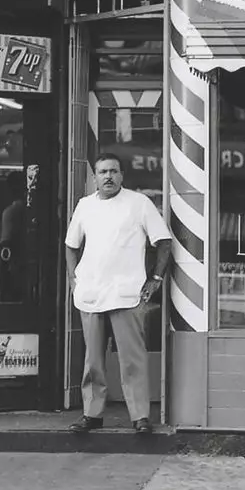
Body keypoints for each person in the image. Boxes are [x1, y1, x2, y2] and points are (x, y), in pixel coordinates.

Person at [64, 152, 171, 435]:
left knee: (132, 358)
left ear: (122, 176)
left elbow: (163, 242)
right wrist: (74, 279)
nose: (108, 176)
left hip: (126, 292)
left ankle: (140, 417)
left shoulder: (139, 204)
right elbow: (71, 245)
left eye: (113, 171)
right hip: (91, 292)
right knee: (93, 361)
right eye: (103, 172)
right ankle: (92, 414)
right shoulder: (85, 206)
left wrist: (156, 277)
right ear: (95, 177)